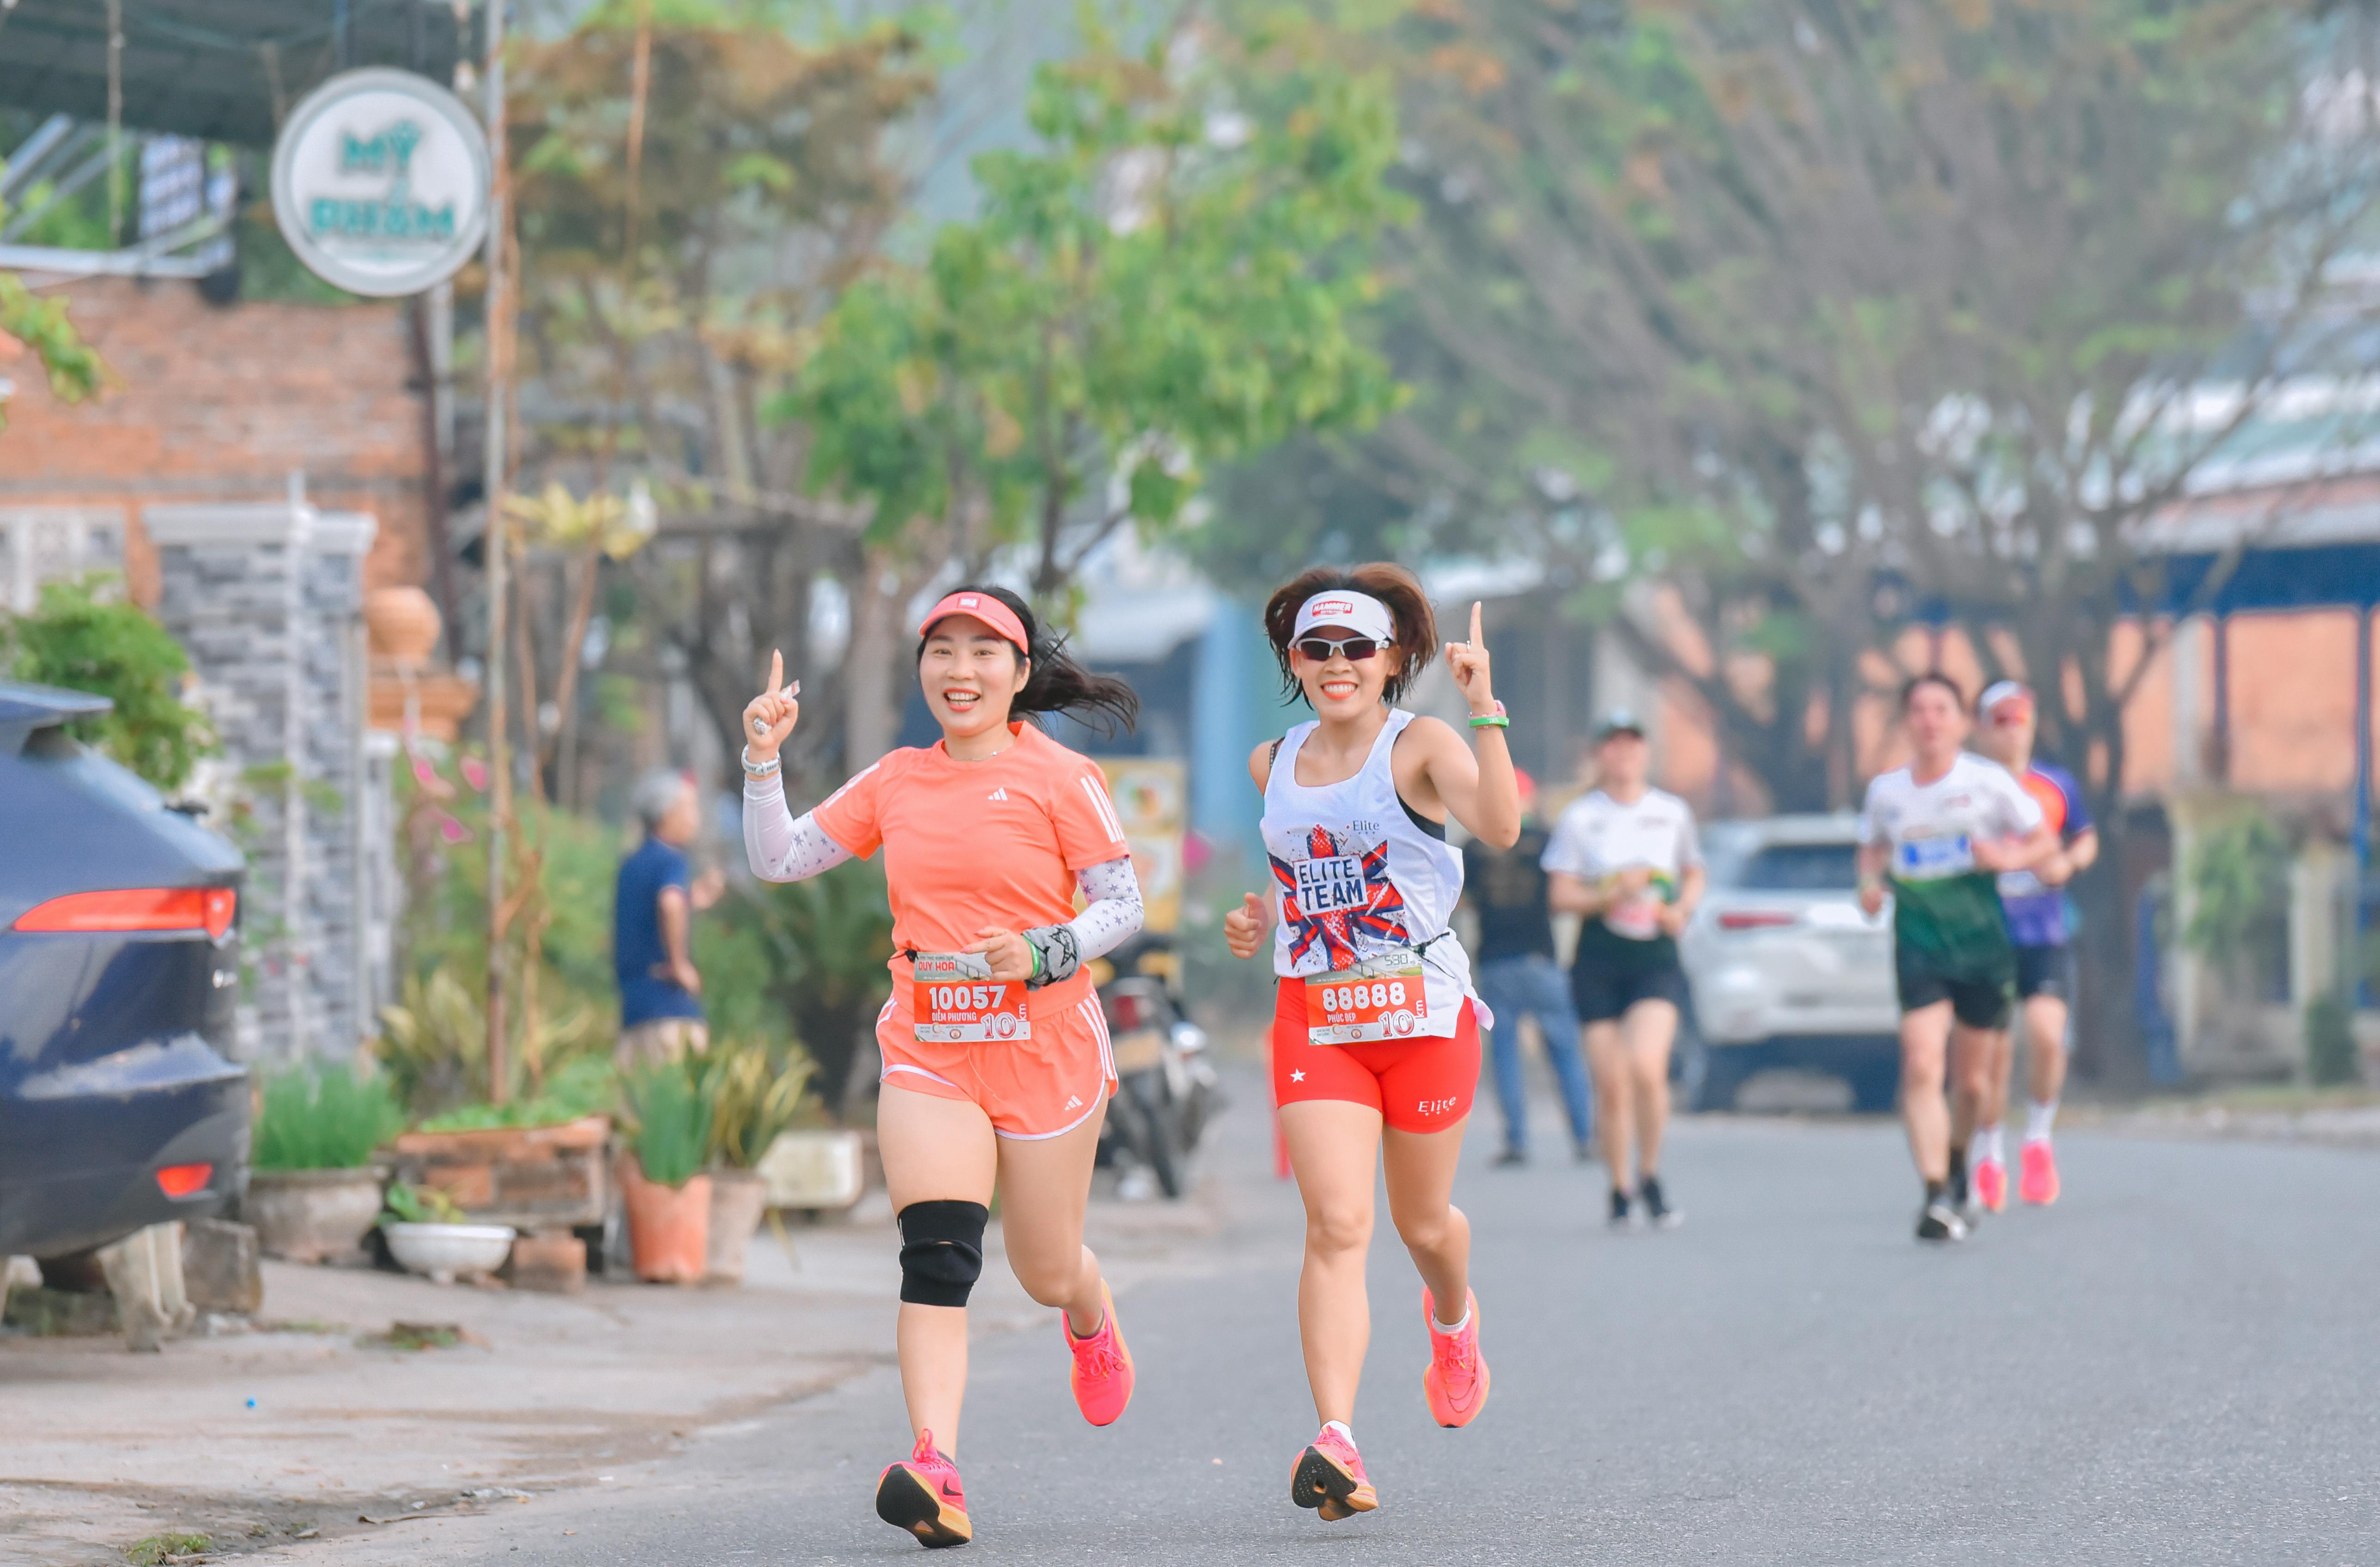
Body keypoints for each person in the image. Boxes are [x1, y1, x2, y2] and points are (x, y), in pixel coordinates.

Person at [740, 587, 1146, 1550]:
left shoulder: (1063, 777)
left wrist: (1045, 948)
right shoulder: (896, 779)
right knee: (937, 1255)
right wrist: (763, 758)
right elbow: (780, 858)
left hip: (1045, 1044)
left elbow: (1121, 903)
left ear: (1019, 671)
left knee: (1044, 1267)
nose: (959, 671)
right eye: (941, 651)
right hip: (930, 1046)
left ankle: (1087, 1308)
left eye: (983, 651)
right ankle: (936, 1465)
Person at [1222, 568, 1519, 1525]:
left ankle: (1452, 1319)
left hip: (1422, 1017)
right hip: (1317, 1019)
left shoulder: (1420, 743)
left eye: (1358, 647)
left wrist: (1483, 710)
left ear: (1392, 659)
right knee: (1336, 1222)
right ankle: (1337, 1439)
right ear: (1294, 660)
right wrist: (1259, 918)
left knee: (1421, 1225)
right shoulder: (1271, 762)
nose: (1337, 663)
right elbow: (1305, 879)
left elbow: (1500, 827)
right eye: (1317, 648)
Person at [1856, 673, 2056, 1243]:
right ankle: (1934, 1190)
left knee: (1971, 1085)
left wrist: (2006, 857)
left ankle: (1958, 1161)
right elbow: (1871, 847)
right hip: (1919, 941)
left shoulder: (1987, 783)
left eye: (1941, 709)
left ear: (1962, 722)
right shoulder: (1887, 792)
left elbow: (2043, 840)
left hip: (1981, 946)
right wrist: (1869, 883)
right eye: (1918, 710)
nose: (1929, 721)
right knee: (1922, 1062)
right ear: (1906, 721)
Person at [1542, 711, 1704, 1230]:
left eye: (1632, 743)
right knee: (1610, 1082)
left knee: (1646, 1067)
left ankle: (1650, 1173)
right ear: (1599, 754)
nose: (1624, 753)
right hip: (1599, 957)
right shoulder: (1580, 818)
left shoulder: (1670, 812)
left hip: (1654, 956)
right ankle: (1618, 1185)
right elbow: (1560, 895)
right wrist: (1610, 894)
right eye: (1613, 744)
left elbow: (1694, 872)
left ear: (1646, 752)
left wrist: (1682, 909)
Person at [1963, 680, 2098, 1210]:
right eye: (1999, 720)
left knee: (2047, 1035)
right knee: (1993, 1056)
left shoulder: (2054, 785)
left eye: (2018, 718)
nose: (2010, 730)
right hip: (1987, 937)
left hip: (2044, 933)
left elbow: (2084, 836)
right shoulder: (1968, 789)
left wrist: (2068, 862)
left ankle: (2038, 1138)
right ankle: (1989, 1153)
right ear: (1981, 730)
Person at [1462, 767, 1595, 1166]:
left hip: (1495, 961)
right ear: (1531, 800)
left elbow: (1459, 900)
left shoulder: (1473, 847)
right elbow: (1564, 892)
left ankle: (1517, 1141)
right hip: (1540, 958)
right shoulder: (1546, 841)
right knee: (1565, 1050)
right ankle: (1585, 1137)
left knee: (1505, 1056)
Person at [615, 768, 710, 1070]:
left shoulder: (631, 864)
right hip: (670, 1010)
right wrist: (680, 965)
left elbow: (650, 912)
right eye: (690, 807)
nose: (696, 817)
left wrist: (691, 900)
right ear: (668, 814)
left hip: (634, 1011)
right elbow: (670, 904)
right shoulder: (672, 860)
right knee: (681, 1096)